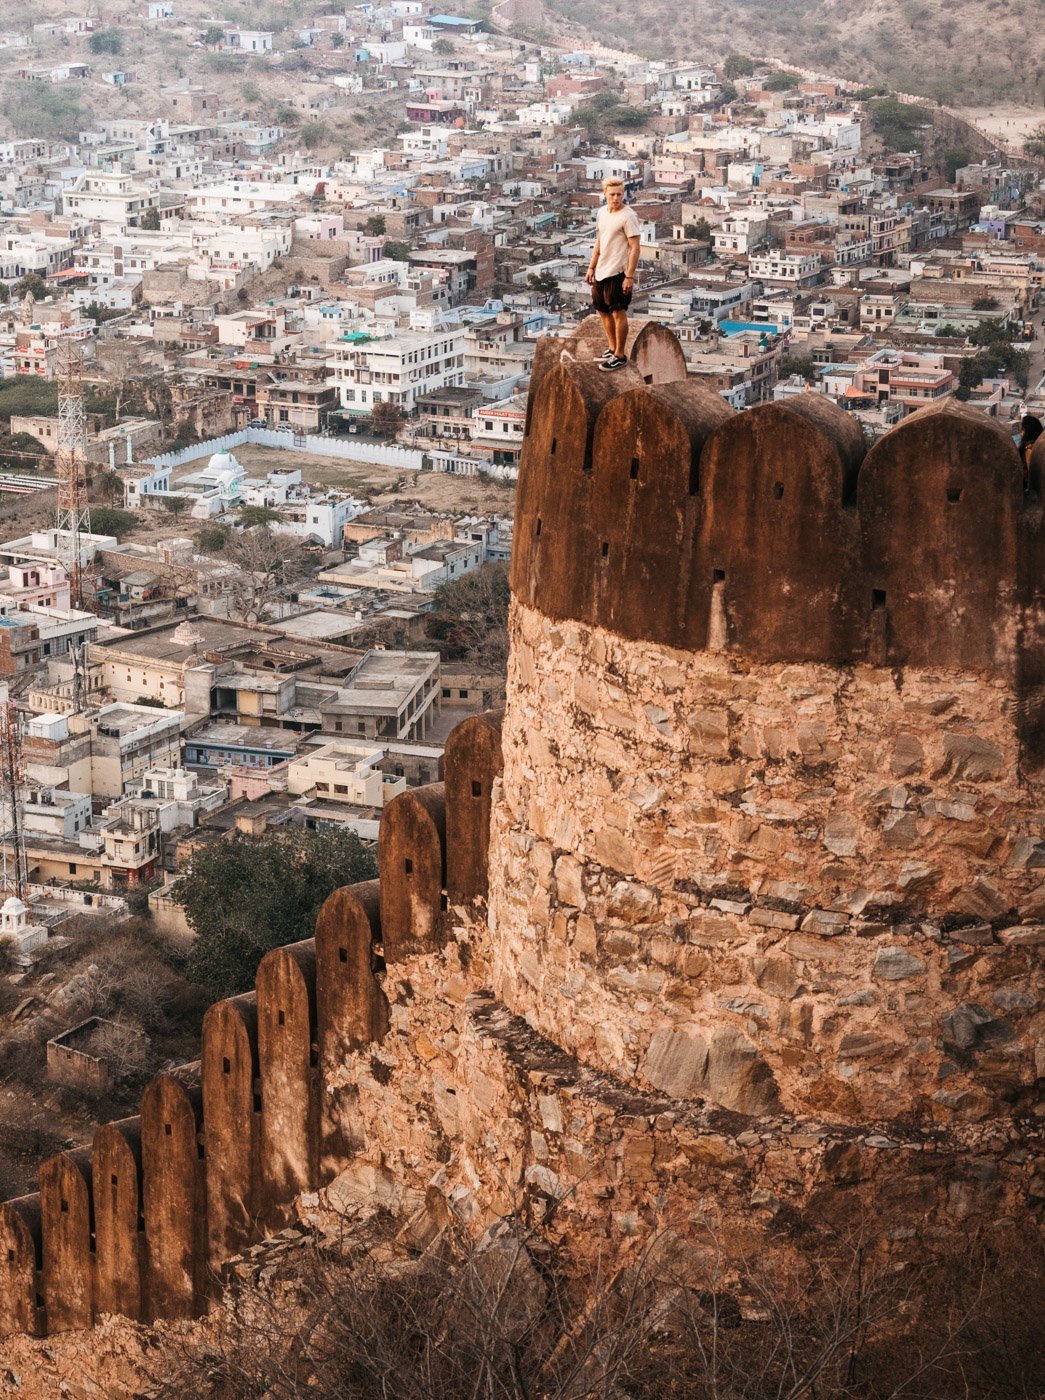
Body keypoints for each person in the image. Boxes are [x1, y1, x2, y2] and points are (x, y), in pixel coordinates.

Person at [585, 177, 641, 372]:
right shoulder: (602, 213)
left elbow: (635, 248)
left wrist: (630, 276)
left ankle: (620, 354)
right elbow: (600, 240)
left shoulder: (628, 216)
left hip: (618, 271)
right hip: (602, 269)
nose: (616, 198)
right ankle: (611, 347)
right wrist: (591, 266)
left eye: (619, 194)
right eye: (612, 195)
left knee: (618, 311)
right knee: (602, 310)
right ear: (605, 195)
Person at [1018, 414, 1043, 489]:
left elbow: (1032, 475)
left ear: (1027, 431)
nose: (1020, 433)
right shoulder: (1037, 445)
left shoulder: (1029, 448)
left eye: (1022, 429)